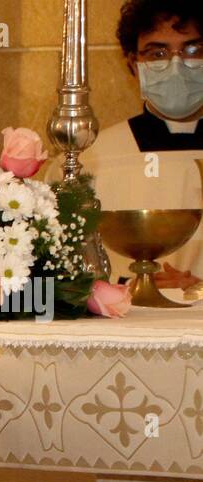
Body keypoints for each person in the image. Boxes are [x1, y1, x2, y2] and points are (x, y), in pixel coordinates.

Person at [83, 0, 202, 292]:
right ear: (132, 64)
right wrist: (132, 286)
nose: (176, 65)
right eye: (157, 53)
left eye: (193, 50)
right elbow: (65, 270)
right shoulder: (92, 160)